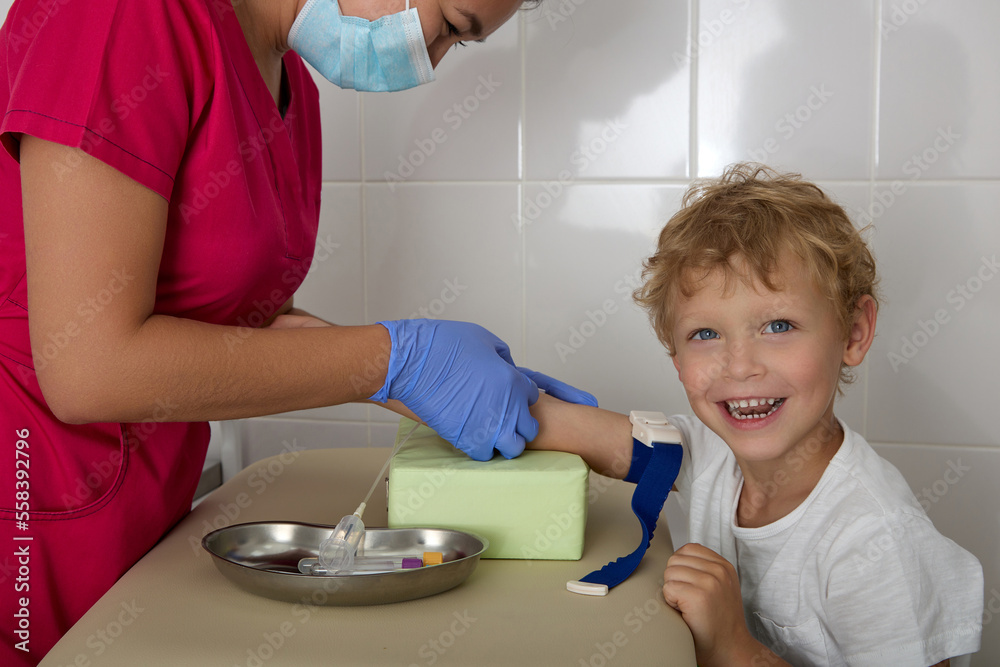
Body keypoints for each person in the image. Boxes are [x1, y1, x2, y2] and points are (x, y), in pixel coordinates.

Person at [0, 0, 593, 663]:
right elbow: (88, 368)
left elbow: (244, 324)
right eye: (452, 24)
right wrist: (396, 360)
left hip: (139, 525)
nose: (434, 58)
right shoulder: (117, 14)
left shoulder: (288, 86)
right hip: (28, 521)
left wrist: (429, 382)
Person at [526, 163, 984, 666]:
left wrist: (734, 648)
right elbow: (585, 435)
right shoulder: (712, 454)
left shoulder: (875, 542)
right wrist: (441, 379)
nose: (740, 366)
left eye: (779, 325)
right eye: (705, 334)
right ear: (674, 356)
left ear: (853, 333)